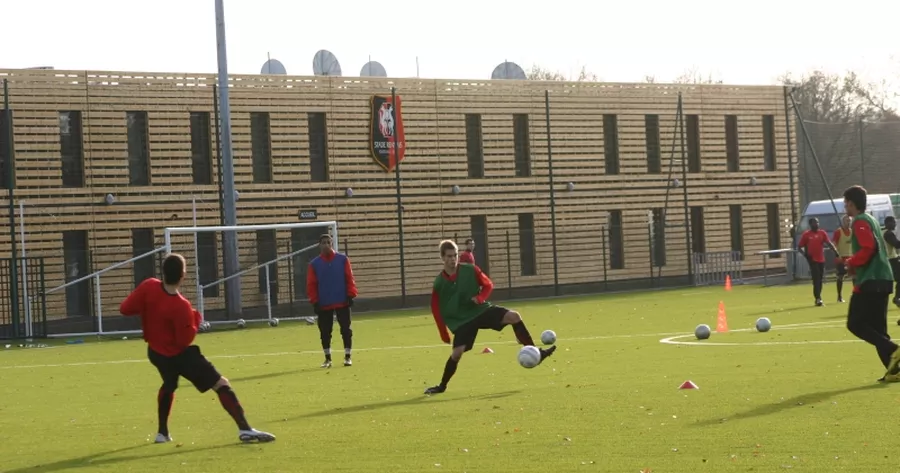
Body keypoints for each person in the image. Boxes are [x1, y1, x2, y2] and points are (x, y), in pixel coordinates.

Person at [119, 253, 275, 444]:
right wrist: (195, 320)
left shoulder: (149, 286)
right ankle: (245, 429)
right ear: (183, 275)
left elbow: (125, 308)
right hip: (178, 355)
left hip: (156, 353)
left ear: (163, 271)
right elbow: (184, 340)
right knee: (221, 384)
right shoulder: (181, 305)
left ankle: (162, 433)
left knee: (169, 384)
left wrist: (147, 309)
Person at [424, 240, 556, 395]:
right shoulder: (439, 282)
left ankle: (536, 354)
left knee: (514, 316)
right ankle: (442, 386)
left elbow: (488, 285)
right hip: (463, 321)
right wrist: (443, 332)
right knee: (457, 353)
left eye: (455, 255)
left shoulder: (470, 270)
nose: (453, 259)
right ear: (442, 258)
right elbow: (435, 307)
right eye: (449, 256)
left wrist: (480, 298)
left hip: (480, 310)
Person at [841, 186, 900, 382]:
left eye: (845, 202)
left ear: (851, 203)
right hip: (883, 278)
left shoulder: (859, 221)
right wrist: (854, 263)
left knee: (855, 323)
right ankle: (895, 371)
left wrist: (851, 262)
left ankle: (894, 349)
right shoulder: (872, 220)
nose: (844, 206)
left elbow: (869, 247)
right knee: (878, 330)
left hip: (871, 280)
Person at [307, 233, 358, 368]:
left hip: (342, 300)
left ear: (332, 244)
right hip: (324, 303)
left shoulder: (342, 260)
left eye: (328, 242)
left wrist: (351, 295)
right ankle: (327, 358)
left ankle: (348, 356)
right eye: (323, 242)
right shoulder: (314, 264)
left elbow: (349, 277)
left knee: (346, 329)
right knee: (324, 331)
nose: (326, 245)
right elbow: (311, 284)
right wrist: (315, 301)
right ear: (319, 245)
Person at [798, 217, 837, 306]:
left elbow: (828, 243)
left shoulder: (822, 233)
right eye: (814, 223)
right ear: (810, 224)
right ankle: (818, 298)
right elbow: (799, 247)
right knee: (816, 279)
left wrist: (835, 251)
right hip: (812, 260)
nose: (816, 224)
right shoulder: (806, 235)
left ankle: (818, 296)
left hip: (821, 259)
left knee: (820, 279)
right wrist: (806, 255)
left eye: (817, 223)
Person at [832, 215, 853, 303]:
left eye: (849, 221)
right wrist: (837, 255)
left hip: (851, 257)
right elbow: (834, 244)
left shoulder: (852, 231)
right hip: (841, 257)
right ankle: (839, 296)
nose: (848, 222)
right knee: (840, 277)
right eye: (846, 221)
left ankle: (856, 294)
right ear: (843, 222)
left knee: (855, 276)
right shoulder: (838, 232)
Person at [881, 216, 900, 307]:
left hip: (884, 259)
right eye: (893, 222)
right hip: (891, 260)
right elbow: (896, 244)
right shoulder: (888, 234)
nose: (895, 224)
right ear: (888, 223)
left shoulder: (881, 232)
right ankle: (897, 298)